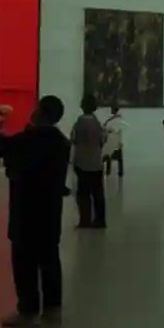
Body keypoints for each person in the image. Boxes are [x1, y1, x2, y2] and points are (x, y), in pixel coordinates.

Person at [0, 95, 73, 328]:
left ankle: (27, 310)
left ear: (41, 113)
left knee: (24, 262)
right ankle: (52, 307)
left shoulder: (28, 139)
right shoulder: (61, 143)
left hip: (25, 211)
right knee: (49, 259)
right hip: (50, 212)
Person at [71, 95, 107, 228]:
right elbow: (102, 140)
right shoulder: (97, 122)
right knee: (98, 194)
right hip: (96, 162)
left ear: (82, 106)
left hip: (82, 162)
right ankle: (100, 220)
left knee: (83, 194)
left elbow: (74, 139)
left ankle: (85, 220)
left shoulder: (80, 122)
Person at [103, 105, 126, 179]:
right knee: (114, 157)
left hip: (113, 141)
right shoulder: (116, 119)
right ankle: (118, 172)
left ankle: (109, 171)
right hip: (115, 141)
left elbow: (110, 129)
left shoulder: (115, 119)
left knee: (111, 156)